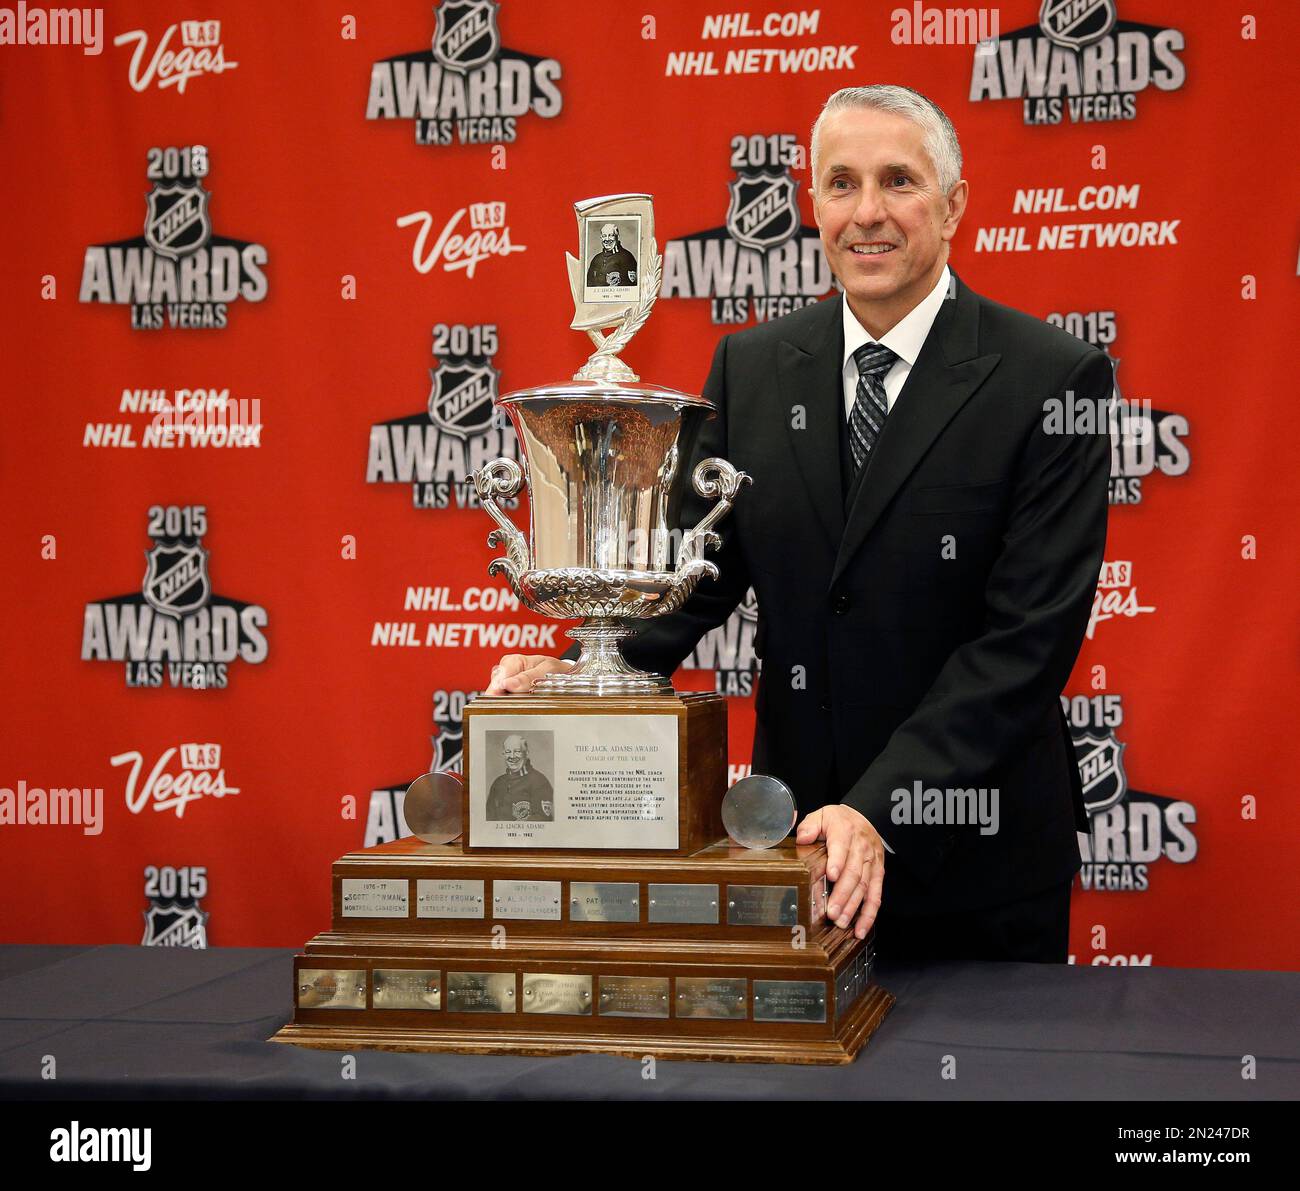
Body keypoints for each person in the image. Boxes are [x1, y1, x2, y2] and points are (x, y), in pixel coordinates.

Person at [486, 85, 1113, 963]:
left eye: (900, 181)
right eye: (841, 183)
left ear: (955, 202)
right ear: (810, 202)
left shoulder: (1053, 378)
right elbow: (699, 571)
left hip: (977, 859)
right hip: (790, 845)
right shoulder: (751, 366)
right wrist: (594, 666)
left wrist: (882, 806)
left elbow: (1026, 640)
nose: (868, 214)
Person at [485, 734, 553, 822]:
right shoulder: (498, 783)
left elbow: (543, 820)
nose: (512, 756)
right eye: (508, 752)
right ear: (504, 754)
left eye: (517, 751)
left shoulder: (539, 781)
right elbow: (488, 819)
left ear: (526, 753)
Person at [586, 223, 638, 287]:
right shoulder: (596, 259)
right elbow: (588, 285)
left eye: (610, 235)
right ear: (601, 237)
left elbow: (632, 286)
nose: (607, 239)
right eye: (604, 236)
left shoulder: (627, 257)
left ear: (617, 237)